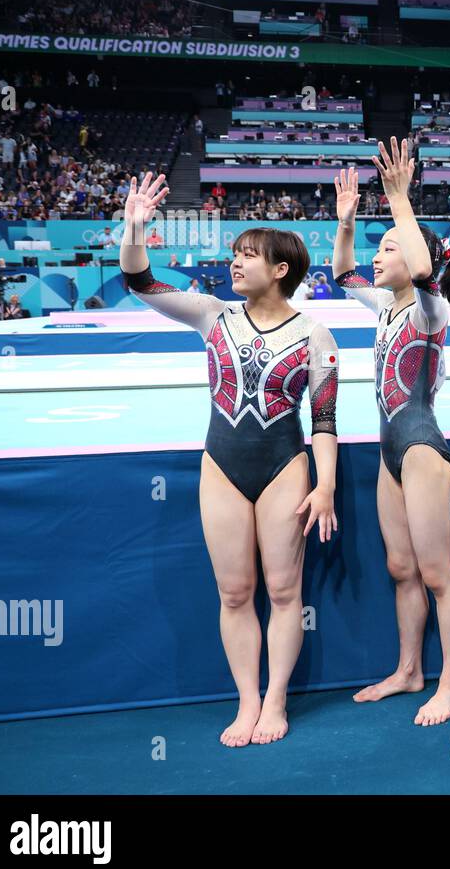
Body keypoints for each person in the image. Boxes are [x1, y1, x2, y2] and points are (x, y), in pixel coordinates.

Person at [120, 171, 339, 748]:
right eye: (235, 254)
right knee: (236, 593)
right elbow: (138, 279)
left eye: (247, 256)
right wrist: (134, 227)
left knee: (285, 591)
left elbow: (324, 421)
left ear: (281, 269)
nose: (234, 263)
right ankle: (246, 699)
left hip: (284, 467)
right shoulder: (212, 315)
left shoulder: (317, 336)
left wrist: (326, 486)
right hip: (221, 466)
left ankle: (277, 699)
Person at [333, 140, 450, 726]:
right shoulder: (385, 308)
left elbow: (421, 269)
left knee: (438, 573)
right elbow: (340, 272)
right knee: (401, 569)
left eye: (387, 245)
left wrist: (398, 199)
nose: (378, 254)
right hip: (390, 451)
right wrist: (346, 222)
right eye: (380, 245)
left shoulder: (425, 311)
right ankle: (409, 668)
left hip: (420, 448)